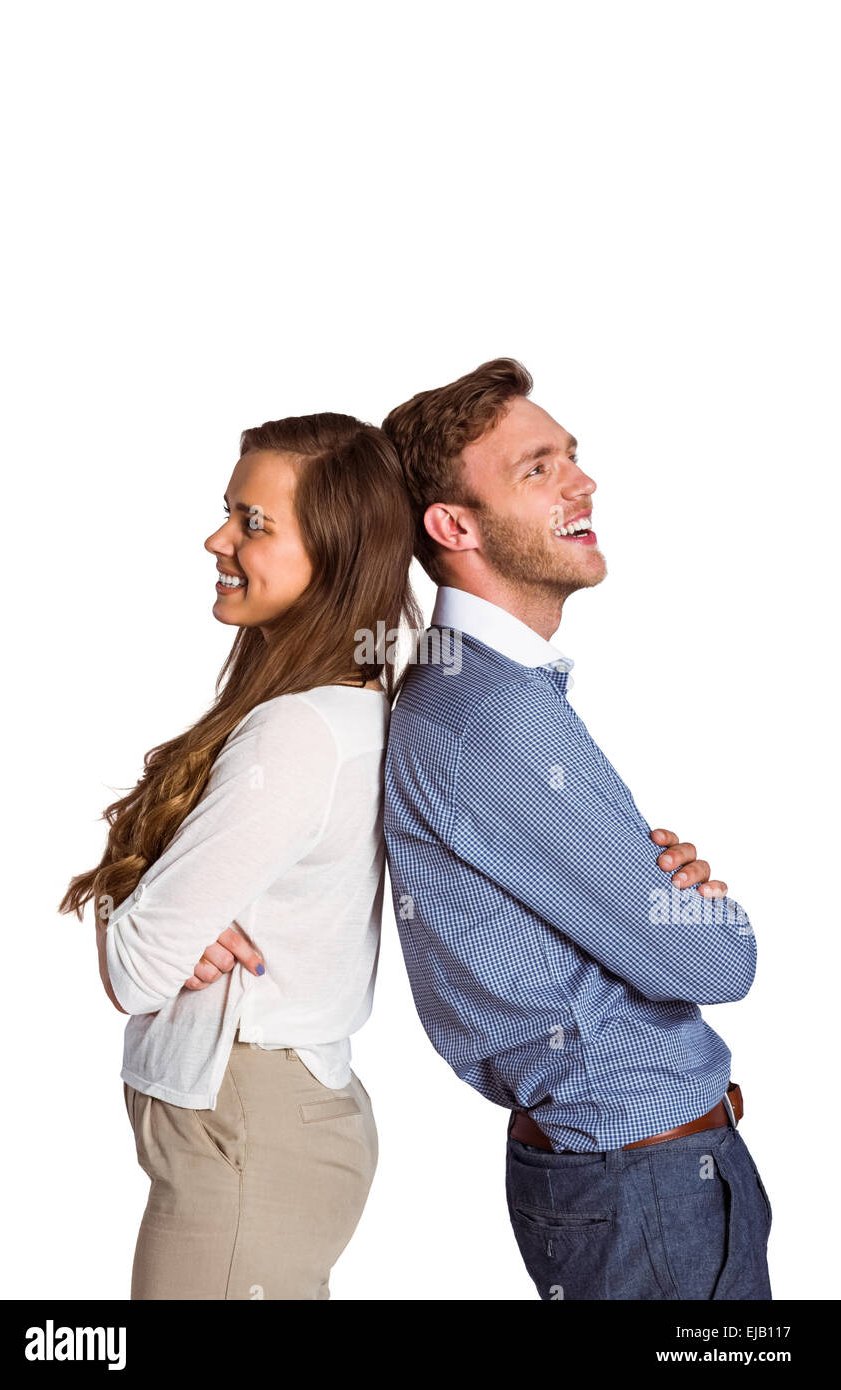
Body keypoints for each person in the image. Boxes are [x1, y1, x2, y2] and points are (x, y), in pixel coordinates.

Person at [379, 358, 772, 1300]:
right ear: (455, 528)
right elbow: (720, 966)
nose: (581, 482)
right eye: (538, 469)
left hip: (635, 1175)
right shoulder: (493, 719)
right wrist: (693, 911)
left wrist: (659, 890)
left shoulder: (484, 693)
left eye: (572, 459)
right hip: (648, 1184)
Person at [59, 412, 422, 1300]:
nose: (217, 538)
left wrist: (137, 903)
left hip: (248, 1134)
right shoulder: (333, 711)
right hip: (261, 1130)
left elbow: (140, 969)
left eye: (253, 523)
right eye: (229, 511)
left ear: (334, 555)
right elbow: (155, 935)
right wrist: (151, 896)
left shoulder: (297, 733)